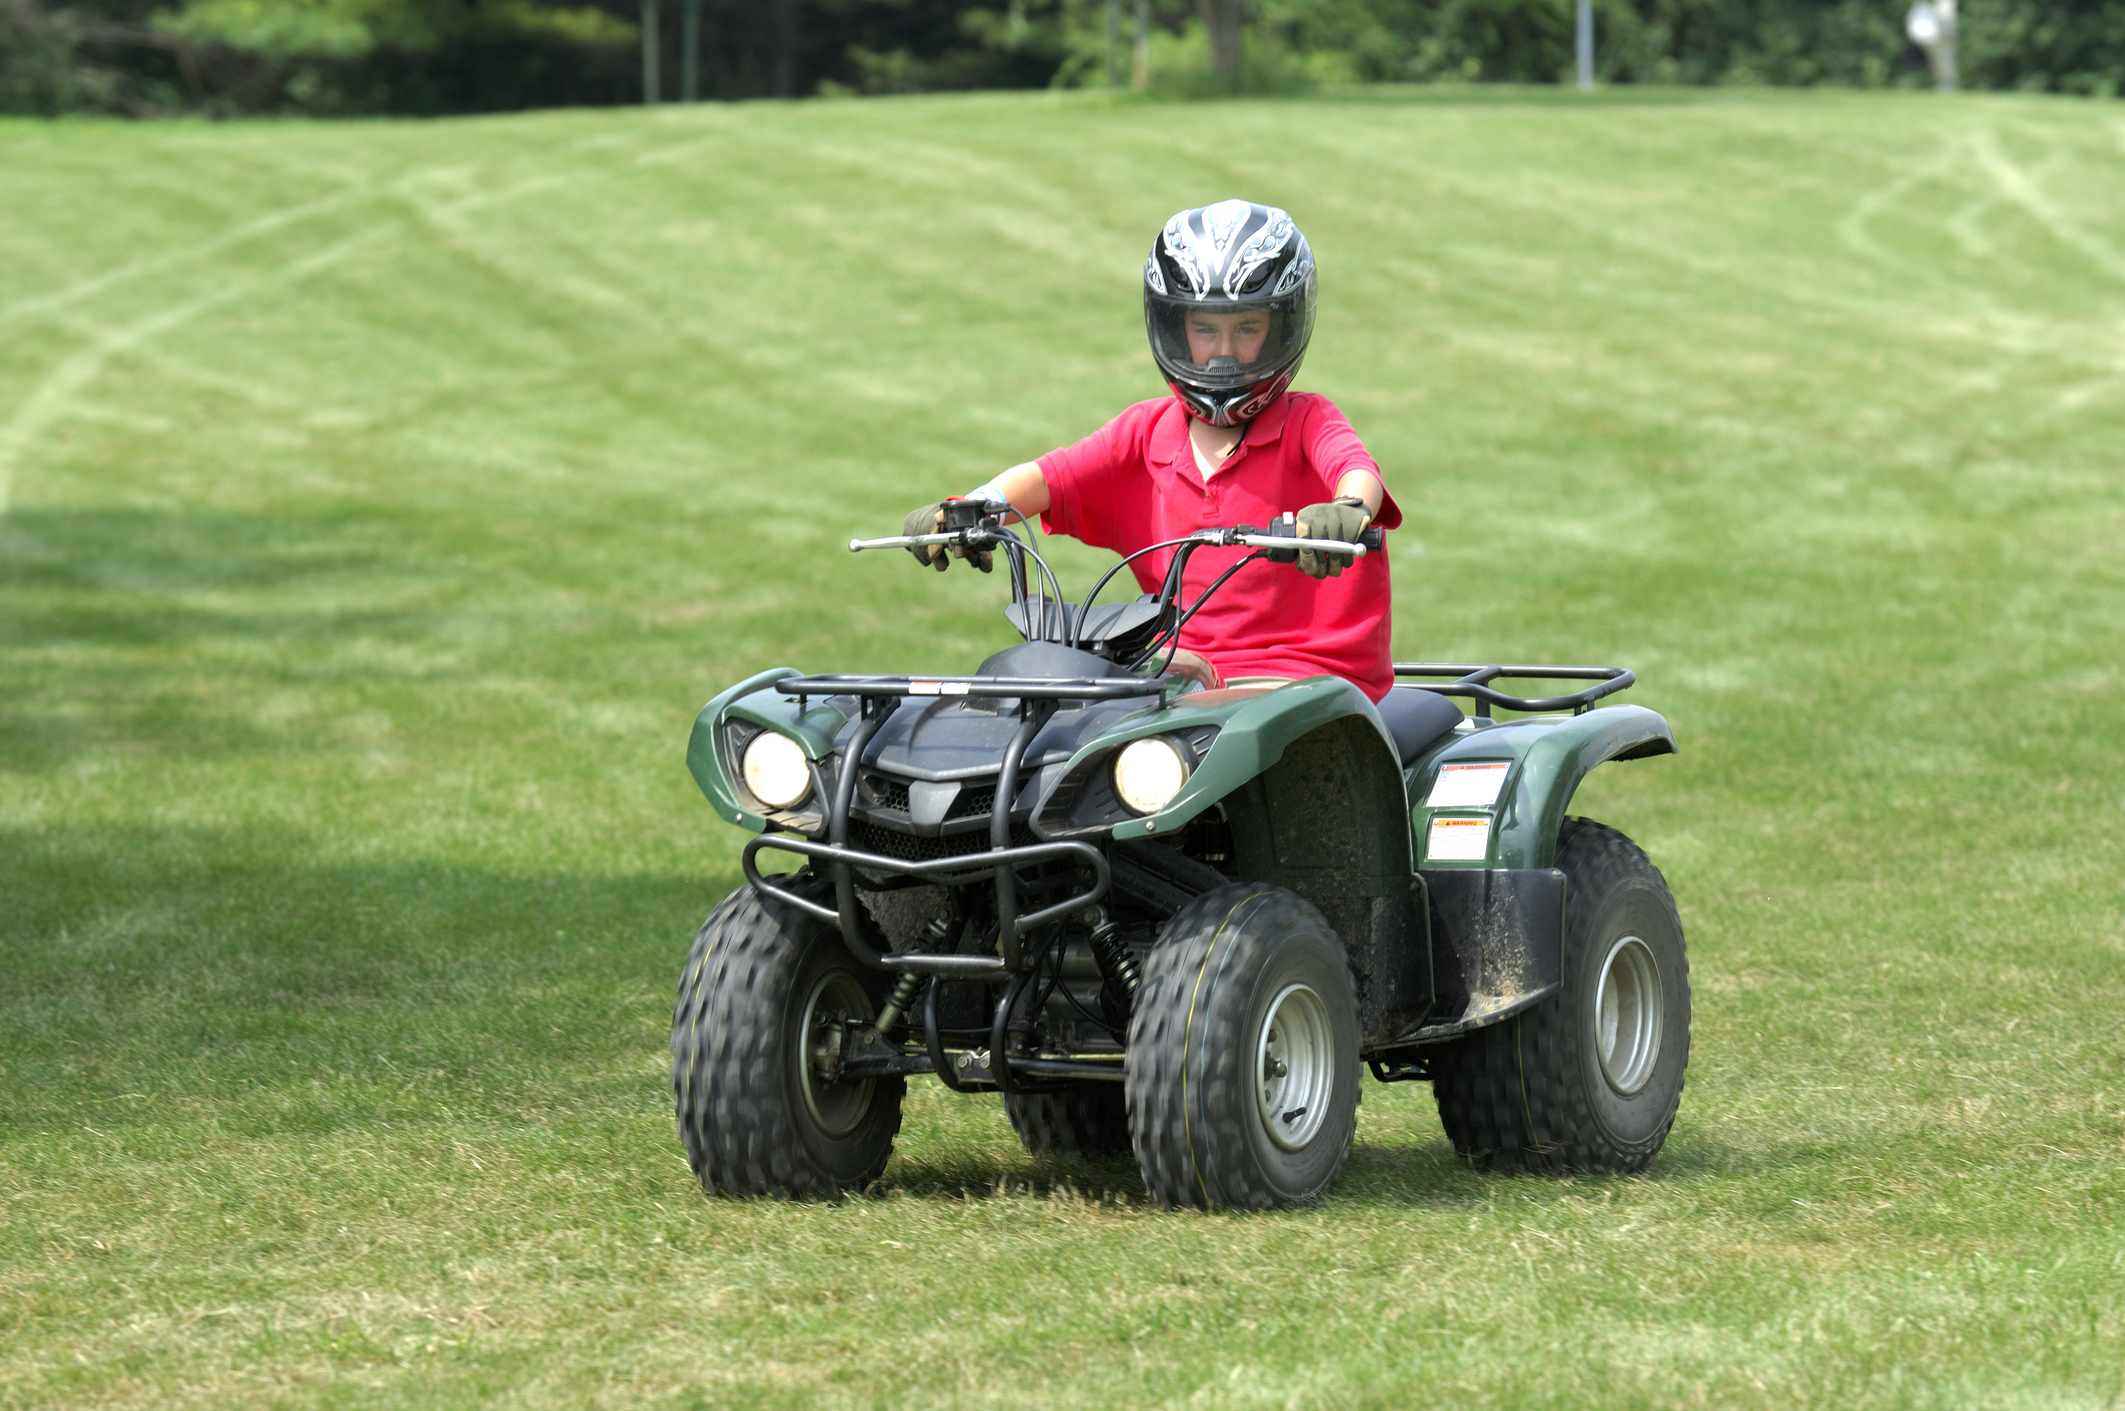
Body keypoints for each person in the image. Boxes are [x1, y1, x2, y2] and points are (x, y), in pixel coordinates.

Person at [905, 199, 1400, 705]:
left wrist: (1346, 511)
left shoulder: (1307, 419)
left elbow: (1356, 472)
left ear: (1282, 326)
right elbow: (1047, 479)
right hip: (1182, 671)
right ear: (1173, 326)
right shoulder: (1145, 432)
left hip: (1308, 678)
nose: (1223, 349)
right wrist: (970, 509)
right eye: (1205, 329)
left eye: (1247, 328)